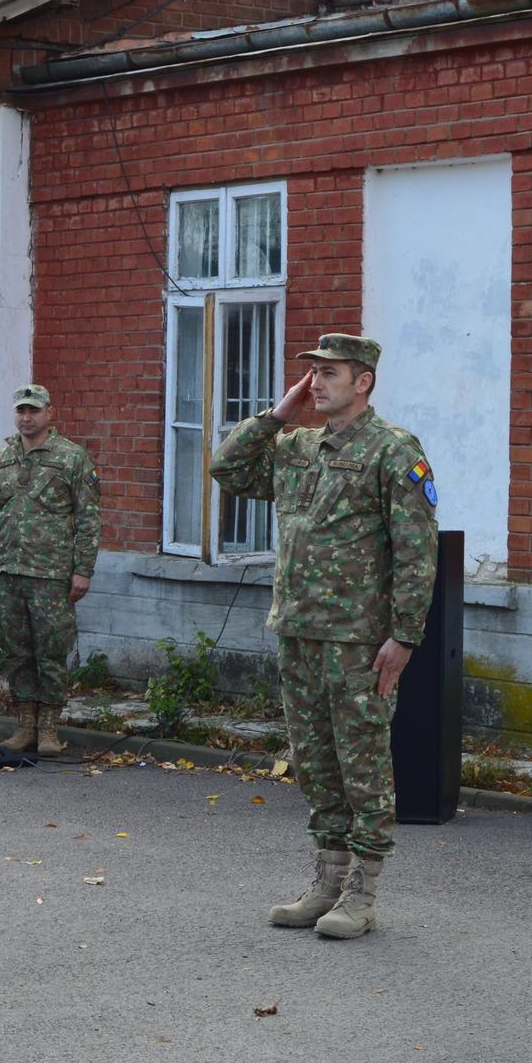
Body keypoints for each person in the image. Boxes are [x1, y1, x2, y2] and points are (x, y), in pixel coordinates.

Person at [209, 333, 438, 940]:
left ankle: (363, 889)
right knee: (313, 760)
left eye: (329, 372)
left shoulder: (393, 451)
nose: (317, 382)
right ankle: (327, 878)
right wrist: (278, 412)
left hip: (358, 639)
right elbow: (226, 467)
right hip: (299, 630)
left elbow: (417, 552)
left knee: (361, 758)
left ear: (363, 380)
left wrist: (405, 636)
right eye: (311, 372)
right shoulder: (297, 447)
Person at [0, 384, 101, 767]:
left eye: (33, 410)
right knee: (16, 650)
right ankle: (25, 724)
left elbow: (88, 518)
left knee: (50, 650)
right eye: (20, 411)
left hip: (51, 573)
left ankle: (49, 726)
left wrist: (83, 570)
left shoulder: (71, 458)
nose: (26, 417)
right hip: (9, 571)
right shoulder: (4, 456)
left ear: (50, 412)